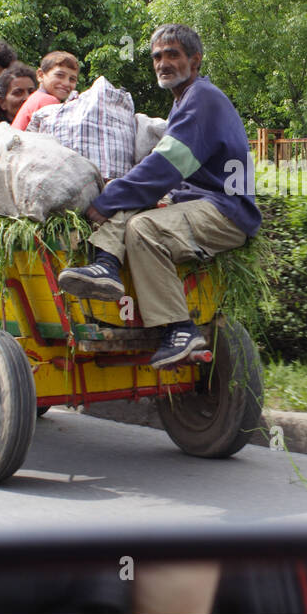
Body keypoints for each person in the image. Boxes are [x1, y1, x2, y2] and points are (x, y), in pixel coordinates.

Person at [56, 25, 260, 368]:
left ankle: (180, 328)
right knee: (139, 204)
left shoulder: (202, 99)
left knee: (144, 229)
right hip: (199, 201)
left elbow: (164, 167)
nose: (163, 63)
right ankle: (106, 264)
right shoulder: (185, 101)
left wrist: (106, 200)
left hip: (227, 210)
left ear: (194, 61)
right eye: (157, 56)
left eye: (173, 55)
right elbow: (164, 173)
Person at [12, 50, 80, 131]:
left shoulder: (36, 97)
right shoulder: (47, 101)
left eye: (72, 79)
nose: (66, 83)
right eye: (60, 75)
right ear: (40, 75)